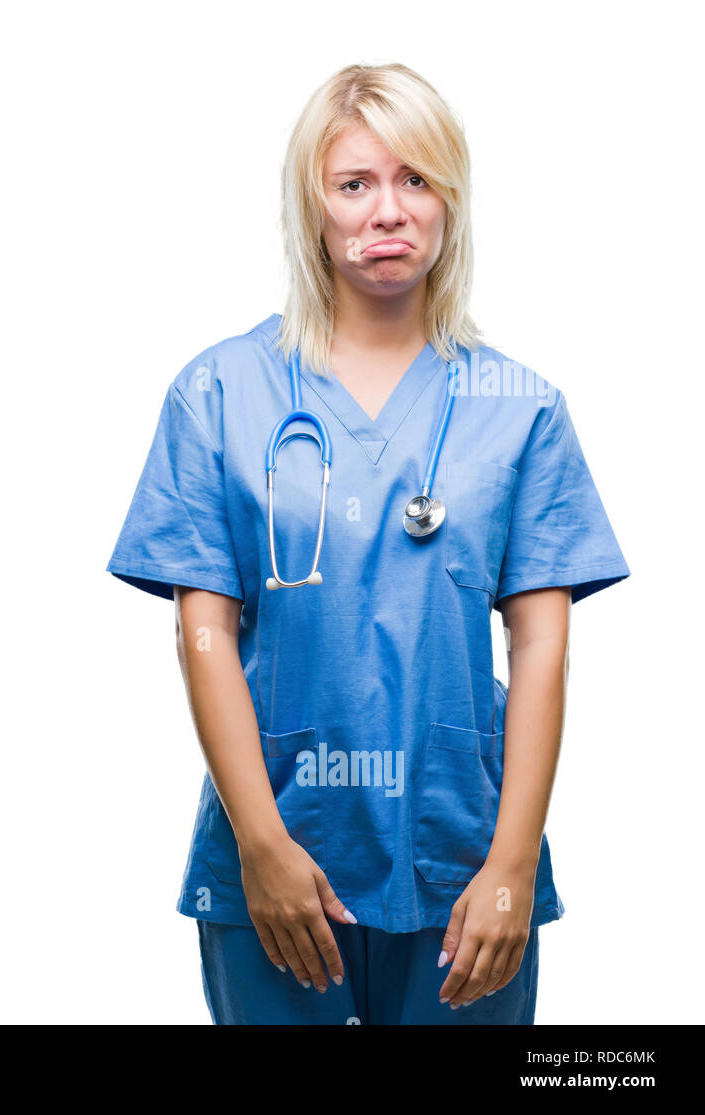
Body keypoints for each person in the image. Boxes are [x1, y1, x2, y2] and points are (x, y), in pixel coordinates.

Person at [105, 62, 629, 1025]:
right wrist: (260, 843)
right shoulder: (219, 393)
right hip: (277, 857)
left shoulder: (521, 409)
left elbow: (543, 645)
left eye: (415, 180)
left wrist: (513, 860)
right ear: (313, 210)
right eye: (354, 184)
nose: (387, 210)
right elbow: (202, 632)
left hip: (465, 855)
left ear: (450, 203)